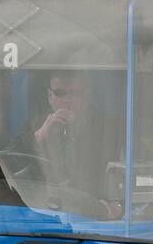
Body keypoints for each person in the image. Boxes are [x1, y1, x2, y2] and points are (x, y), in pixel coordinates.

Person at [16, 70, 121, 217]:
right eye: (60, 93)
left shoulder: (108, 128)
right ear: (49, 96)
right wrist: (41, 134)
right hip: (42, 212)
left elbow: (119, 172)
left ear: (86, 96)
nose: (67, 100)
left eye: (75, 93)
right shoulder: (35, 126)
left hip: (93, 213)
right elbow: (9, 163)